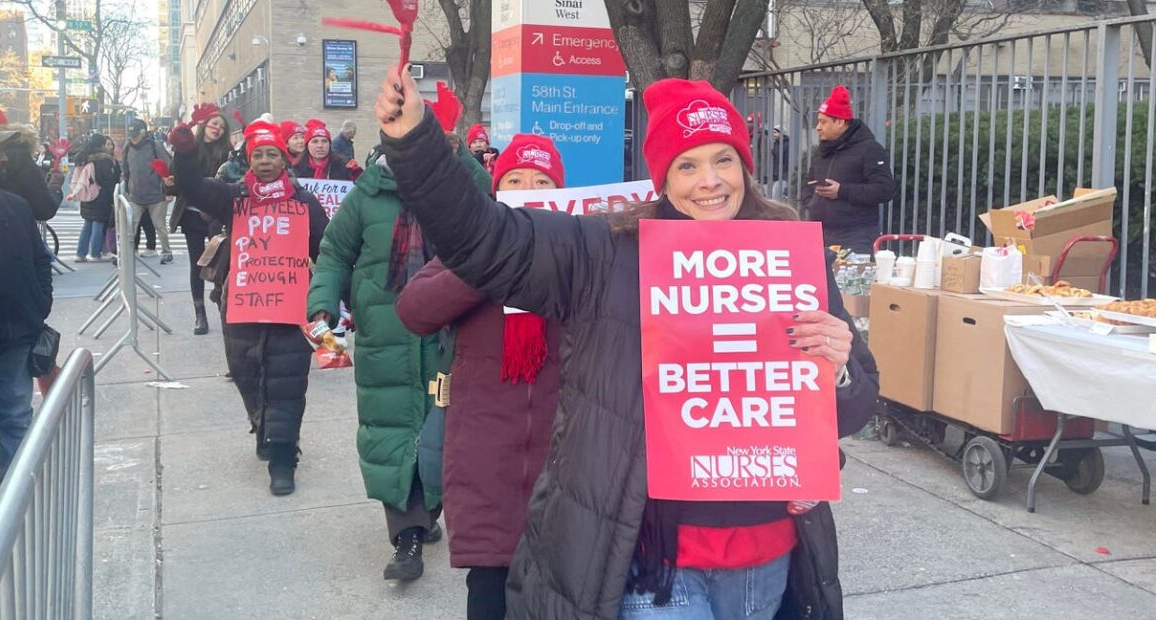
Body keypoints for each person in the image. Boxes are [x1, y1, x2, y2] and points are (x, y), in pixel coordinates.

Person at [375, 67, 879, 619]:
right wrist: (416, 141)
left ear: (745, 166)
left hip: (769, 561)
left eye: (724, 159)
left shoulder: (789, 258)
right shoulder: (607, 252)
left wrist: (839, 370)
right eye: (687, 165)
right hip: (653, 565)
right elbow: (484, 238)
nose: (710, 181)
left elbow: (855, 408)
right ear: (662, 177)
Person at [306, 93, 489, 584]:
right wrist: (323, 305)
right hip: (386, 336)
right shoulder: (368, 193)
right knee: (392, 431)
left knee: (440, 432)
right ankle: (406, 534)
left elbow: (492, 214)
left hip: (449, 337)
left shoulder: (461, 184)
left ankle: (427, 510)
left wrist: (457, 156)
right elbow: (333, 253)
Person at [393, 132, 564, 618]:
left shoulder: (580, 248)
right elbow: (415, 310)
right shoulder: (470, 247)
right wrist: (490, 261)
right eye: (515, 180)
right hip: (485, 454)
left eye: (542, 182)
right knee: (489, 590)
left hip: (562, 456)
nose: (528, 190)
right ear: (496, 189)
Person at [170, 118, 330, 495]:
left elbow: (327, 250)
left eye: (272, 154)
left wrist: (329, 297)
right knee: (247, 373)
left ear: (284, 160)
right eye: (258, 155)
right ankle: (262, 425)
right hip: (242, 306)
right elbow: (192, 188)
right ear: (249, 160)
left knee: (287, 381)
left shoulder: (304, 202)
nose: (264, 162)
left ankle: (284, 457)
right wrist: (185, 152)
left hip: (291, 307)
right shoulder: (233, 197)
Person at [0, 130, 53, 482]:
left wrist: (39, 303)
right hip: (16, 326)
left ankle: (15, 498)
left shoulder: (15, 207)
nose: (4, 159)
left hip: (15, 331)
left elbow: (40, 259)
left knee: (15, 418)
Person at [801, 85, 896, 254]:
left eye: (823, 122)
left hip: (857, 236)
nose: (818, 127)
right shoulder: (823, 151)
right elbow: (807, 183)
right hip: (820, 233)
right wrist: (811, 202)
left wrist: (842, 191)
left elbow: (885, 189)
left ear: (839, 122)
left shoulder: (870, 149)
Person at [168, 108, 231, 335]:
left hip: (217, 216)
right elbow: (177, 181)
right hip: (192, 215)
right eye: (214, 124)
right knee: (197, 264)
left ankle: (223, 307)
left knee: (221, 264)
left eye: (222, 127)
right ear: (205, 126)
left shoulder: (227, 152)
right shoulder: (189, 149)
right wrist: (167, 184)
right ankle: (200, 314)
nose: (217, 129)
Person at [122, 119, 174, 264]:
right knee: (131, 225)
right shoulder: (128, 147)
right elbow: (125, 170)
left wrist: (169, 191)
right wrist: (126, 189)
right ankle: (126, 253)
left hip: (156, 194)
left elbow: (167, 167)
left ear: (143, 133)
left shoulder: (154, 145)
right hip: (136, 194)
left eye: (135, 135)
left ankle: (167, 252)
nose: (133, 138)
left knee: (159, 225)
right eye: (131, 136)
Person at [0, 106, 60, 221]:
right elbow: (44, 209)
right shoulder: (22, 159)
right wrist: (55, 186)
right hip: (14, 225)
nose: (4, 158)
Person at [67, 134, 120, 262]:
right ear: (101, 145)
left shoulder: (83, 158)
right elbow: (107, 180)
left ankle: (80, 253)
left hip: (86, 195)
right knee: (98, 223)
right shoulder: (104, 160)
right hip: (100, 196)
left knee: (88, 224)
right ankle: (96, 253)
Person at [292, 119, 361, 181]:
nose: (320, 145)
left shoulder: (345, 167)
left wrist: (356, 173)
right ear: (307, 145)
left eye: (324, 141)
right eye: (315, 142)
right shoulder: (297, 169)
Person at [771, 125, 791, 201]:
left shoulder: (787, 144)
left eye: (775, 132)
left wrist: (783, 172)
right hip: (776, 173)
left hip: (783, 174)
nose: (773, 134)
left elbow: (787, 160)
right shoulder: (775, 144)